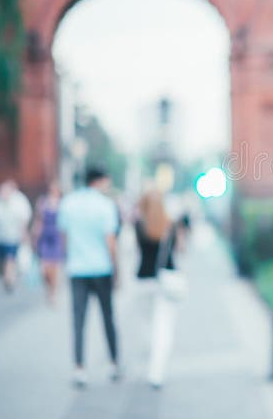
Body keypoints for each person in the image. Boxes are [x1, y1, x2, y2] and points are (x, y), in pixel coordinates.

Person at [57, 166, 121, 388]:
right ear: (100, 180)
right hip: (101, 269)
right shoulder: (106, 205)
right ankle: (113, 362)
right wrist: (116, 269)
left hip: (77, 269)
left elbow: (64, 238)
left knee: (78, 320)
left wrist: (70, 259)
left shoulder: (68, 204)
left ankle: (79, 368)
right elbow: (110, 242)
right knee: (108, 317)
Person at [134, 186, 185, 389]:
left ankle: (152, 359)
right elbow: (180, 249)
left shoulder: (139, 224)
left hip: (144, 280)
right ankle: (156, 372)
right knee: (163, 328)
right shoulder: (170, 224)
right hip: (166, 279)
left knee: (148, 326)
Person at [0, 179, 32, 293]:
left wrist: (24, 233)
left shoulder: (19, 201)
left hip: (13, 237)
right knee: (3, 260)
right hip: (1, 237)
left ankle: (9, 278)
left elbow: (24, 219)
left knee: (10, 259)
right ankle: (9, 275)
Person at [31, 180, 65, 305]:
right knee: (44, 269)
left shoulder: (62, 204)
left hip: (57, 237)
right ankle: (49, 288)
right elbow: (38, 220)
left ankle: (53, 293)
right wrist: (35, 236)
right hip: (45, 237)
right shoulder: (42, 202)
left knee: (54, 268)